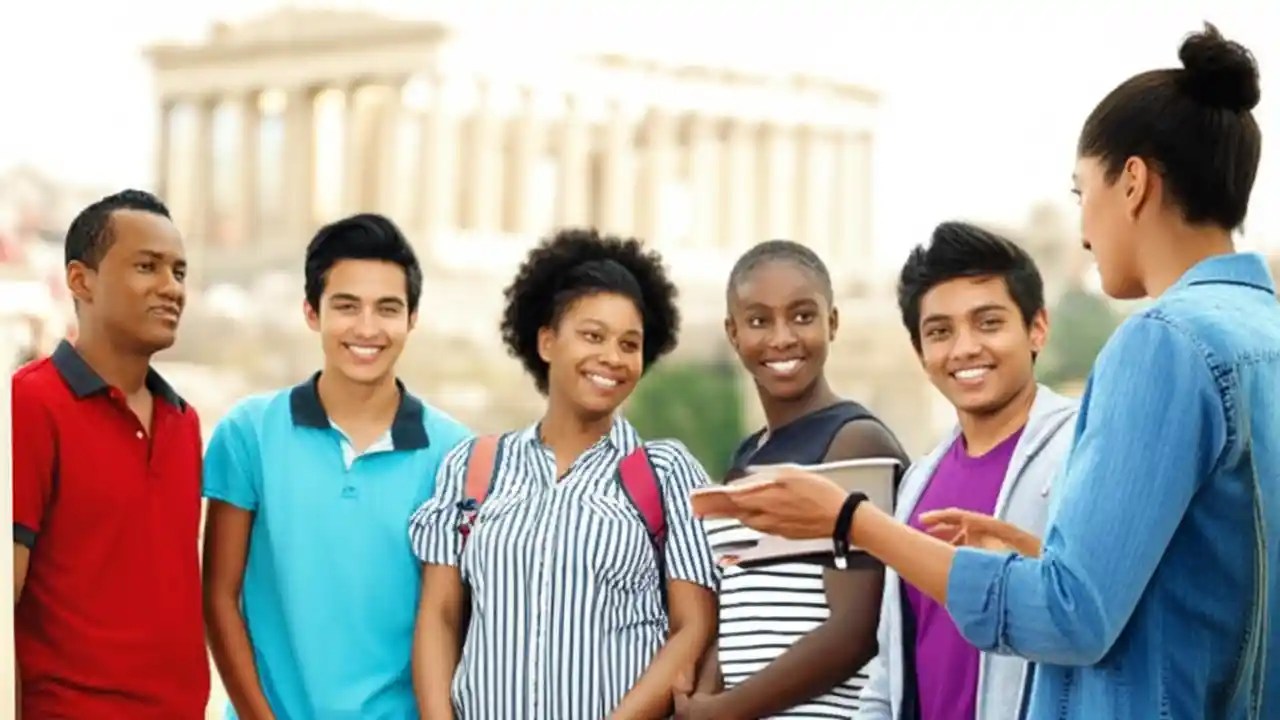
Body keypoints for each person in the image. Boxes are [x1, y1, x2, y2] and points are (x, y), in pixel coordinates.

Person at [704, 22, 1279, 720]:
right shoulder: (1261, 335)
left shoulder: (1162, 344)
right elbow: (1210, 592)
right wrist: (1039, 559)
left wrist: (853, 519)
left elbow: (1071, 619)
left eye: (1081, 193)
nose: (1085, 230)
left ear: (1132, 183)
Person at [409, 228, 719, 720]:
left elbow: (693, 628)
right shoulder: (474, 468)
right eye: (593, 336)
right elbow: (440, 616)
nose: (612, 358)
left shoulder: (664, 474)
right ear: (547, 341)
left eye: (629, 344)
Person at [202, 213, 472, 719]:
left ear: (412, 318)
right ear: (311, 311)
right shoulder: (248, 434)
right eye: (346, 307)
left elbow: (453, 618)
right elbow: (219, 596)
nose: (367, 328)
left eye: (387, 309)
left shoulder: (457, 454)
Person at [676, 240, 911, 720]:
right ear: (733, 332)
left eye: (802, 316)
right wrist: (705, 694)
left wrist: (723, 712)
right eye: (759, 321)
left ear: (833, 323)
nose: (782, 338)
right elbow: (742, 601)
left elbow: (856, 630)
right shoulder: (747, 456)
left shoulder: (854, 442)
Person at [856, 222, 1078, 720]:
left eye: (989, 323)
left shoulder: (1080, 453)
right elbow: (891, 671)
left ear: (1036, 327)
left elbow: (1093, 616)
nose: (964, 349)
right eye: (939, 332)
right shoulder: (919, 483)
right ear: (920, 351)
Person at [13, 189, 209, 718]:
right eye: (147, 267)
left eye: (180, 272)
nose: (171, 288)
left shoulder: (184, 422)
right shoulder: (28, 404)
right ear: (82, 280)